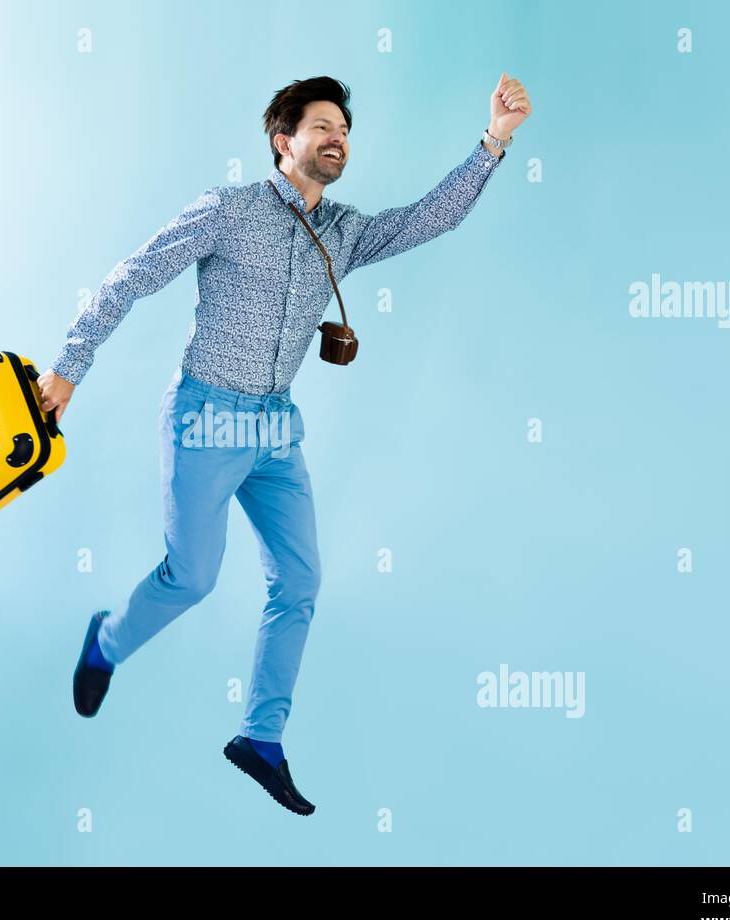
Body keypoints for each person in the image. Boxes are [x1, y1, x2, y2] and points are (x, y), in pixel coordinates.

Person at [44, 74, 532, 815]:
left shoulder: (344, 231)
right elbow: (132, 277)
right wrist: (69, 370)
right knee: (194, 577)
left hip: (275, 428)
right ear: (284, 141)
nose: (339, 139)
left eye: (345, 130)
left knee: (299, 583)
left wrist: (493, 141)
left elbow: (433, 217)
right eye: (323, 127)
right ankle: (106, 642)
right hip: (206, 419)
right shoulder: (229, 210)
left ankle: (259, 738)